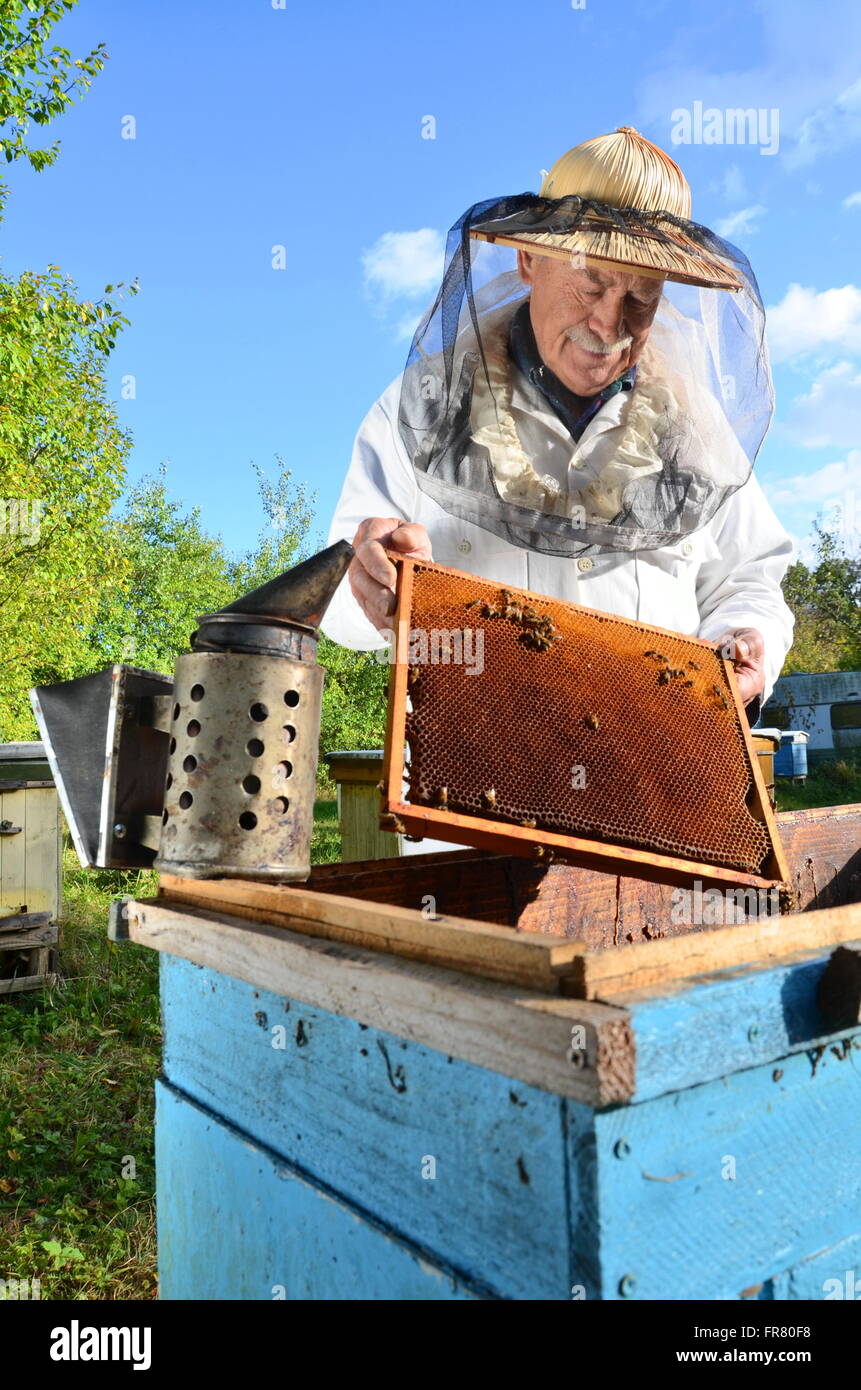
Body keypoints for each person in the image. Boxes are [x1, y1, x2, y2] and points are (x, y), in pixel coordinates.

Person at [321, 126, 794, 721]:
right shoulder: (421, 404)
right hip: (471, 777)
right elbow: (336, 597)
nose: (608, 324)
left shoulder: (698, 431)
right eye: (590, 284)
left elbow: (749, 578)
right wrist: (370, 578)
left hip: (652, 777)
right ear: (528, 260)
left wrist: (749, 637)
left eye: (641, 297)